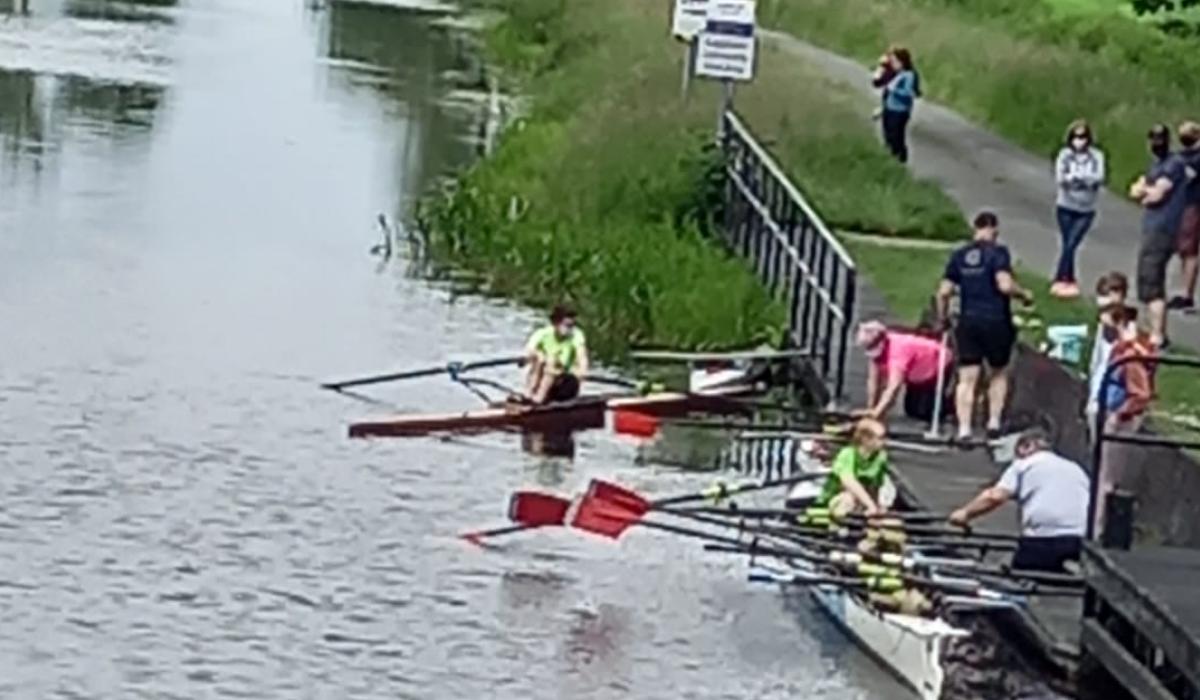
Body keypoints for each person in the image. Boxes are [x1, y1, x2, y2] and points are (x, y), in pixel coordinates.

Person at [936, 211, 1035, 440]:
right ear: (994, 230)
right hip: (996, 321)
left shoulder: (960, 255)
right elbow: (1004, 285)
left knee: (967, 376)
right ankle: (993, 422)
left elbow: (944, 292)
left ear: (975, 228)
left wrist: (942, 318)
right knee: (998, 373)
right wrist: (1024, 295)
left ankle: (964, 428)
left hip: (968, 321)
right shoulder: (998, 254)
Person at [949, 427, 1089, 573]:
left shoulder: (1024, 465)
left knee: (1011, 576)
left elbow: (995, 496)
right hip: (1080, 541)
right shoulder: (1076, 468)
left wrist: (964, 513)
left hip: (1042, 539)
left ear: (1026, 446)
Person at [1093, 307, 1155, 534]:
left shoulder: (1130, 353)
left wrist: (1119, 415)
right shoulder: (1129, 348)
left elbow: (1140, 393)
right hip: (1114, 412)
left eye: (1108, 324)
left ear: (1120, 322)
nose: (1104, 329)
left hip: (1120, 418)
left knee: (1107, 478)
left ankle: (1098, 528)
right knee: (1105, 475)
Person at [1130, 124, 1190, 348]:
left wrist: (1145, 192)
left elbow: (1155, 195)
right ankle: (1151, 329)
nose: (1156, 144)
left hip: (1163, 229)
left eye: (1160, 140)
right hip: (1152, 227)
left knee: (1152, 280)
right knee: (1146, 279)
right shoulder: (1156, 164)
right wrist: (1144, 191)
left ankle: (1158, 334)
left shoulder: (1174, 165)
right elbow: (1136, 189)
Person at [1051, 119, 1106, 299]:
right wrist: (1079, 179)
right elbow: (1061, 178)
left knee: (1072, 243)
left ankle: (1060, 278)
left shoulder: (1096, 156)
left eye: (1083, 137)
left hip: (1086, 208)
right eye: (1076, 137)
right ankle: (1068, 279)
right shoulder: (1065, 155)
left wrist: (1078, 178)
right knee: (1068, 244)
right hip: (1065, 206)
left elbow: (1098, 177)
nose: (1079, 140)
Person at [855, 320, 951, 421]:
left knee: (920, 410)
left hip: (938, 363)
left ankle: (950, 408)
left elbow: (894, 387)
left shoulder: (898, 352)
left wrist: (876, 413)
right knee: (910, 407)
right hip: (915, 368)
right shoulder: (877, 349)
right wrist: (870, 408)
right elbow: (873, 380)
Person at [1085, 272, 1136, 439]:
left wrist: (1119, 326)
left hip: (1116, 398)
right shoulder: (1101, 328)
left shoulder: (1129, 326)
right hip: (1097, 395)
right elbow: (1096, 362)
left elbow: (1131, 349)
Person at [814, 418, 891, 518]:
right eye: (881, 438)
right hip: (834, 501)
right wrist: (870, 505)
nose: (885, 442)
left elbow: (875, 487)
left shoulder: (881, 458)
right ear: (865, 439)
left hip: (862, 503)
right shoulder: (847, 453)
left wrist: (876, 507)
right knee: (849, 499)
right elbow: (849, 482)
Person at [522, 305, 589, 405]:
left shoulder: (576, 335)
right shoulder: (542, 333)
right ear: (556, 323)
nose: (570, 329)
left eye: (572, 325)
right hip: (542, 374)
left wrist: (582, 372)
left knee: (551, 361)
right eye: (567, 325)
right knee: (540, 359)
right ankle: (528, 395)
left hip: (565, 382)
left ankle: (538, 399)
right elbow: (529, 350)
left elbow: (582, 357)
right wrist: (537, 354)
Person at [1169, 121, 1200, 312]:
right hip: (1183, 204)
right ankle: (1185, 290)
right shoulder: (1182, 157)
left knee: (1189, 250)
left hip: (1193, 204)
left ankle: (1187, 294)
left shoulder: (1196, 159)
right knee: (1184, 250)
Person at [872, 46, 920, 164]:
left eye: (895, 61)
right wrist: (882, 66)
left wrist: (894, 90)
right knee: (887, 136)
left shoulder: (909, 75)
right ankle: (890, 160)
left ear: (902, 62)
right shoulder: (896, 73)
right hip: (889, 108)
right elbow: (878, 82)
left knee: (896, 138)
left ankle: (900, 160)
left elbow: (909, 93)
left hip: (900, 111)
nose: (893, 64)